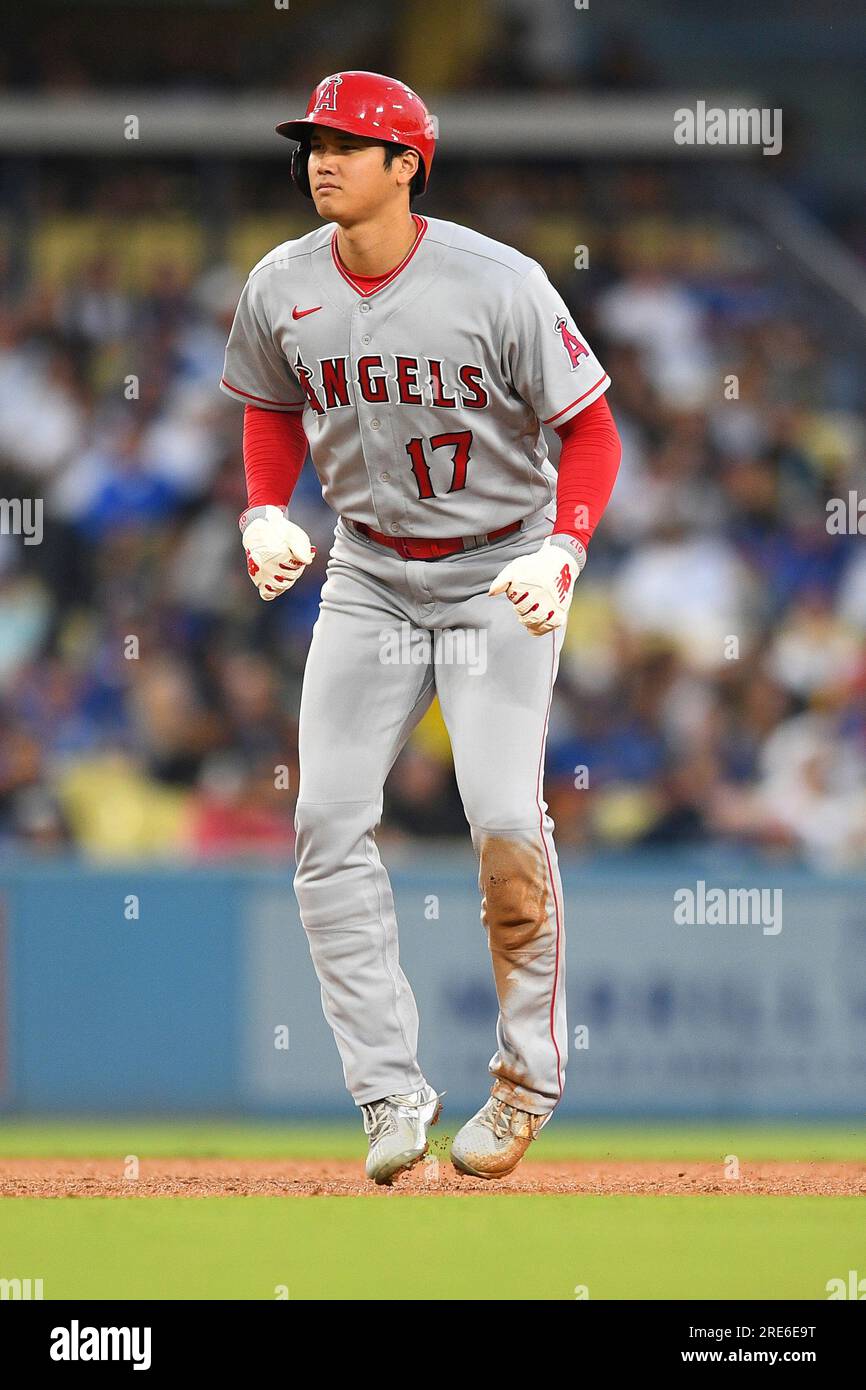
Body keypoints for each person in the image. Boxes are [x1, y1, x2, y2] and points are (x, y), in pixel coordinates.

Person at [221, 70, 622, 1184]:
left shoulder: (497, 282)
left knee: (499, 817)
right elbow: (268, 403)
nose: (322, 158)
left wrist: (564, 545)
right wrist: (264, 507)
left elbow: (590, 435)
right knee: (326, 822)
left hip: (500, 564)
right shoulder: (280, 283)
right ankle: (388, 1094)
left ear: (408, 164)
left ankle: (525, 1078)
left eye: (350, 142)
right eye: (312, 140)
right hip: (368, 570)